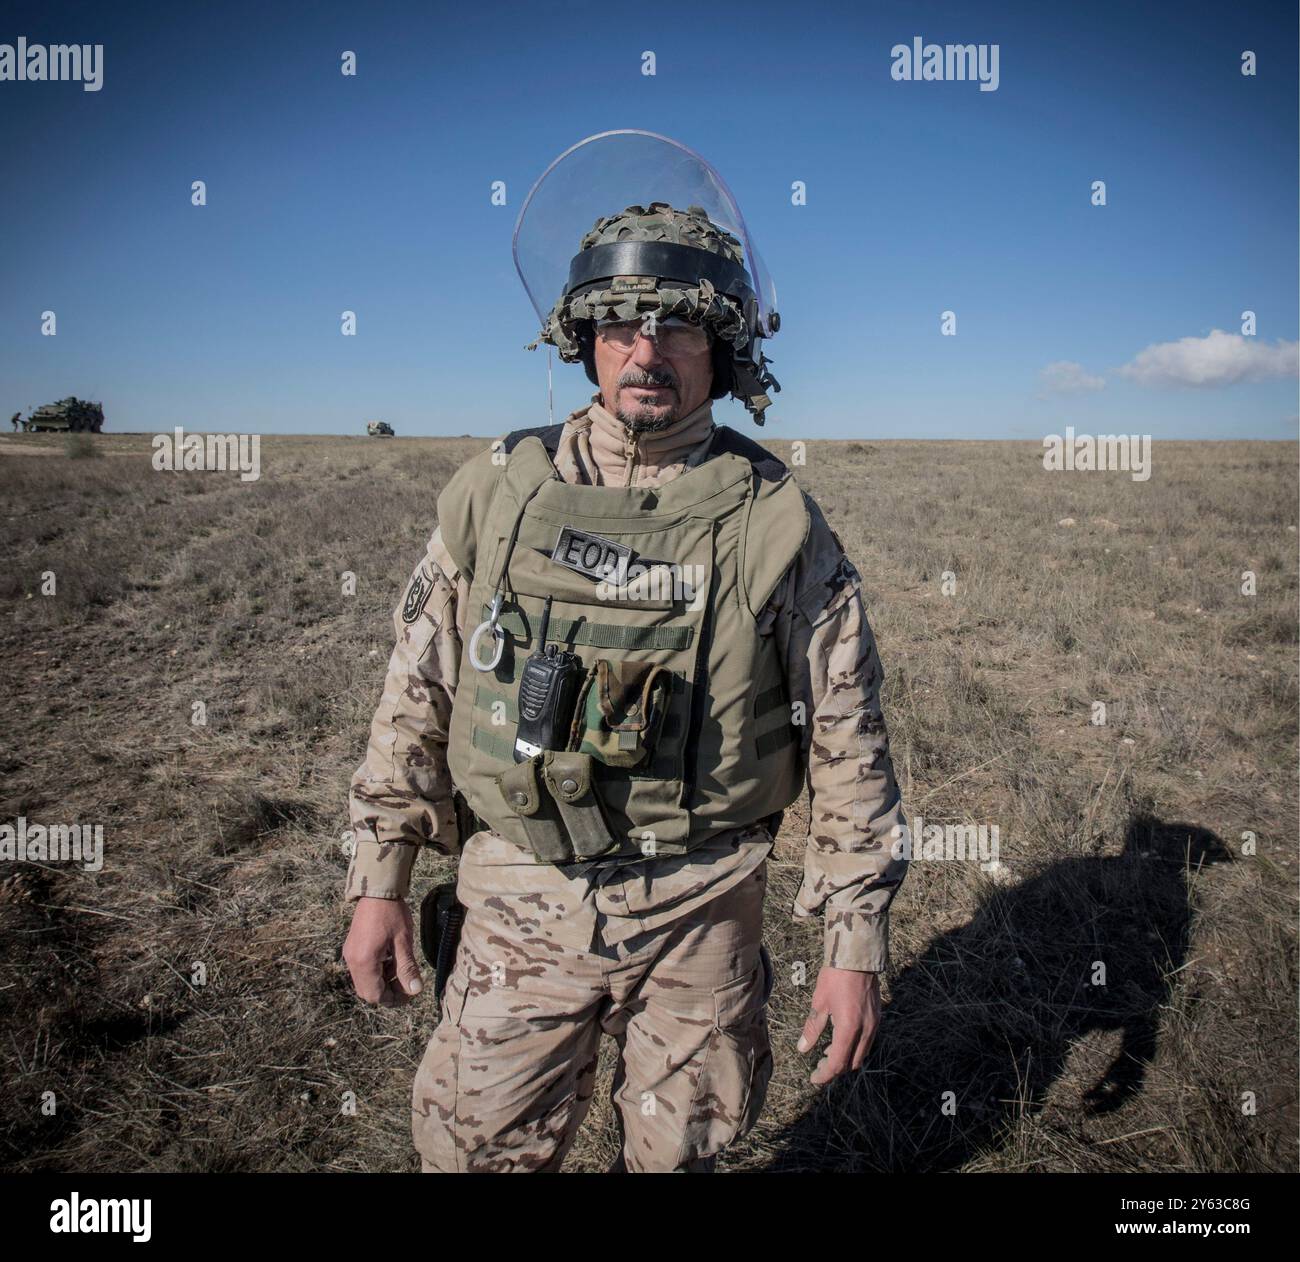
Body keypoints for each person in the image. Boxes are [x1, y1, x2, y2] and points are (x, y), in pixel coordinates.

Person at [342, 184, 909, 1173]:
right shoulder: (497, 498)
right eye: (619, 323)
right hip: (520, 891)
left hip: (703, 903)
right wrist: (381, 875)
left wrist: (854, 940)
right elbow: (416, 691)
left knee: (680, 1156)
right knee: (471, 1154)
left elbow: (847, 735)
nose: (646, 351)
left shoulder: (775, 521)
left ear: (719, 347)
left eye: (678, 326)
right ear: (583, 339)